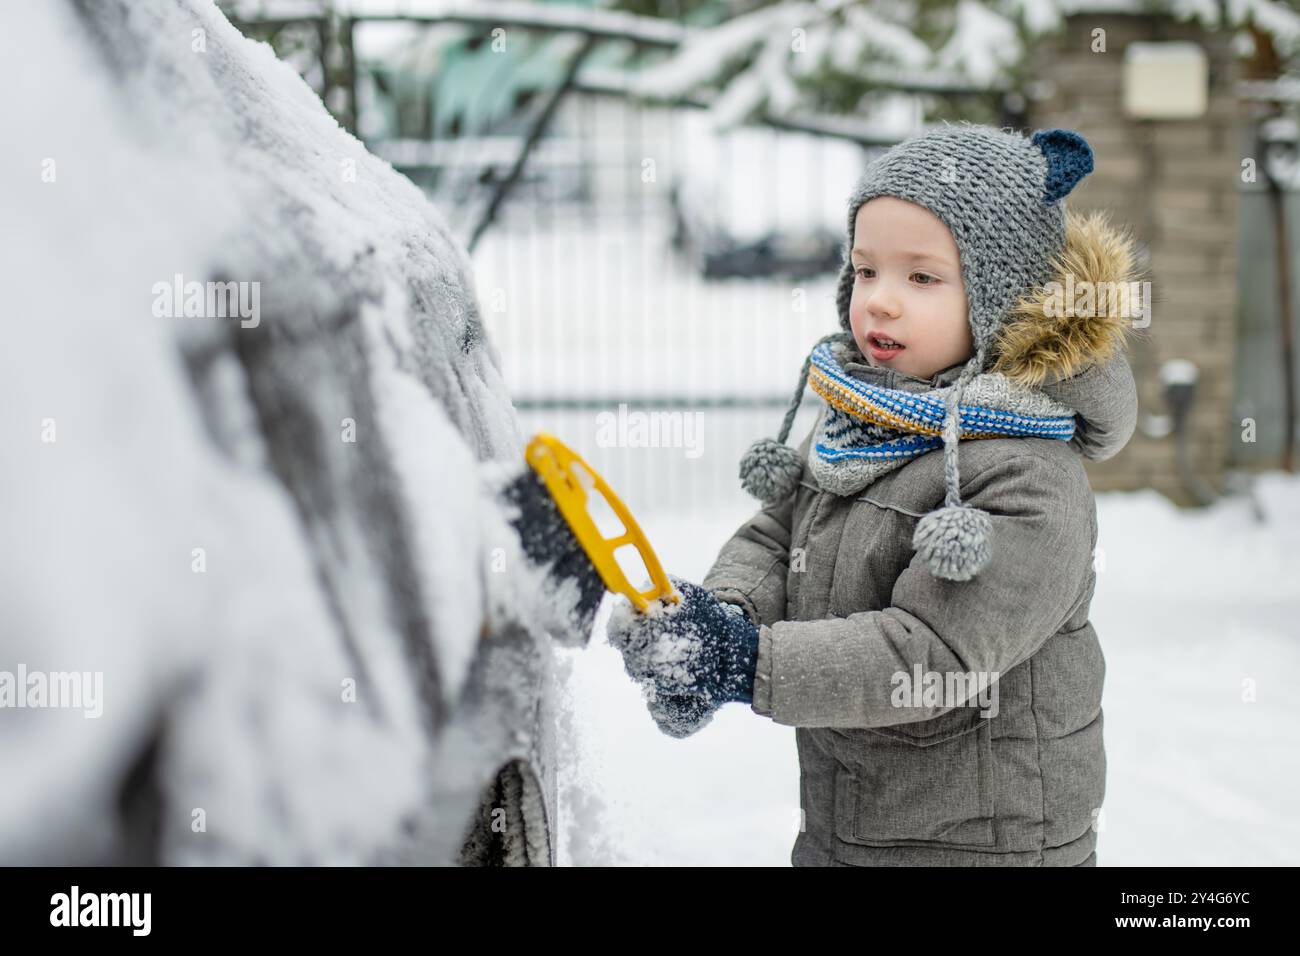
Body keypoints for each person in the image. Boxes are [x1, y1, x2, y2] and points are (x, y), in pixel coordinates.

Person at [606, 121, 1142, 866]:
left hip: (987, 848)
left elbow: (932, 653)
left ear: (1005, 297)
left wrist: (745, 661)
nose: (880, 302)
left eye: (922, 277)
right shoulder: (867, 418)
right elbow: (778, 532)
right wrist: (724, 615)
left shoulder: (1028, 475)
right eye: (865, 272)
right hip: (848, 826)